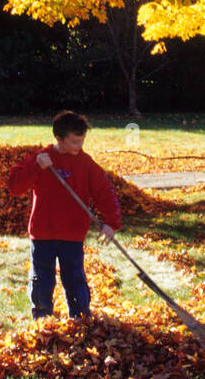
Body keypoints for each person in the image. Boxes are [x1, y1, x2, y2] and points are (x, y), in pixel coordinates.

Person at [7, 111, 122, 321]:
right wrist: (35, 167)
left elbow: (104, 191)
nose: (80, 146)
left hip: (73, 233)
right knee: (42, 278)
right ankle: (42, 318)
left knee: (75, 277)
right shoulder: (42, 158)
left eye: (82, 141)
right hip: (44, 232)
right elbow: (15, 186)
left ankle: (81, 317)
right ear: (59, 138)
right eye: (75, 141)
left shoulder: (85, 163)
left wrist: (111, 222)